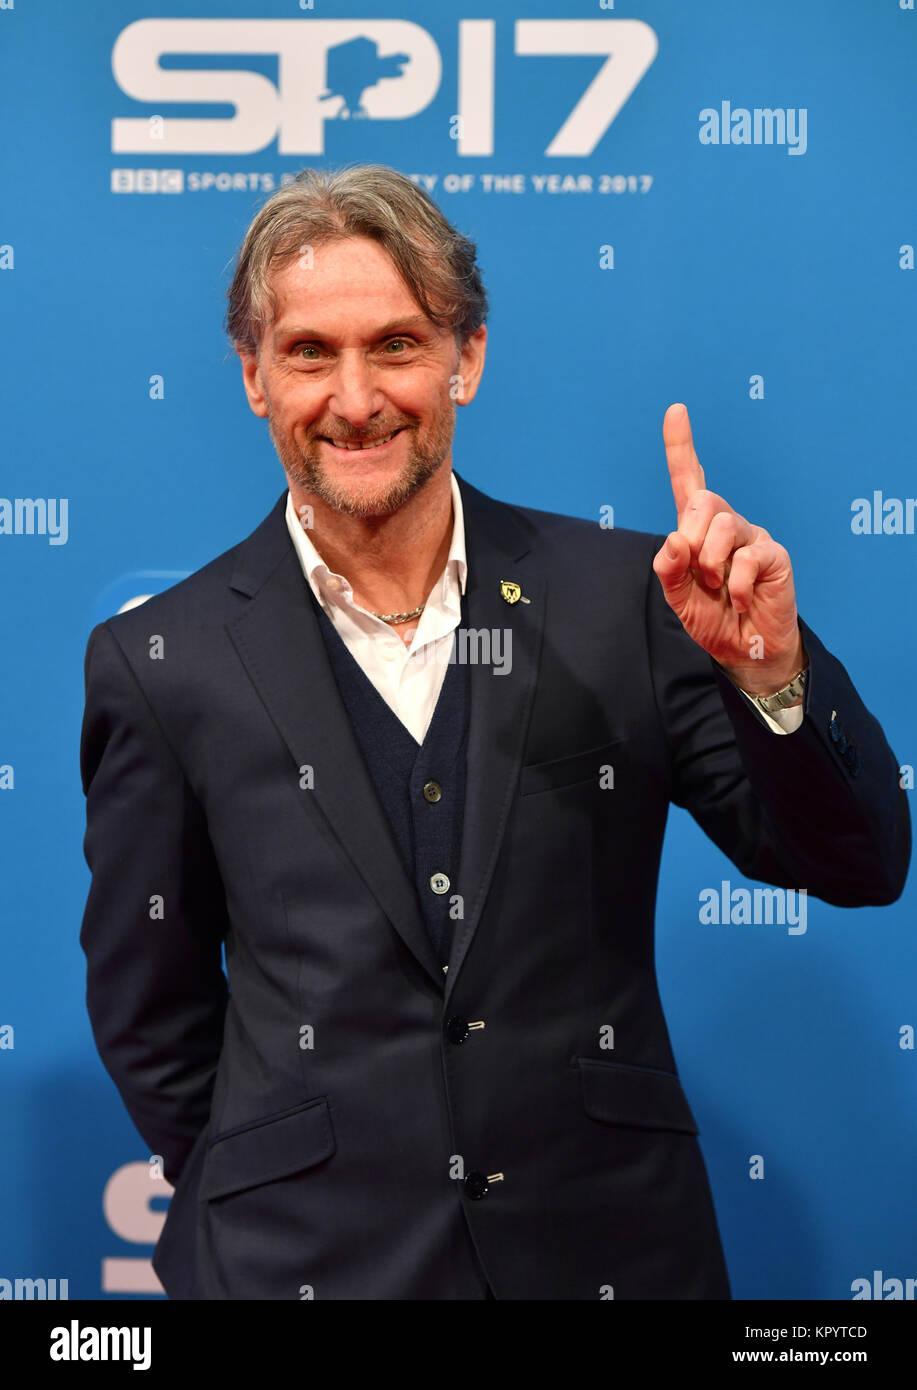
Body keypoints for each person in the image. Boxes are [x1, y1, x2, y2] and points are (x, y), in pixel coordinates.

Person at [79, 164, 910, 1300]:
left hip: (607, 1257)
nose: (355, 395)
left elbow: (856, 861)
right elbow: (148, 1008)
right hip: (301, 1270)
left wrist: (771, 672)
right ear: (253, 377)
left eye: (398, 345)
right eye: (310, 352)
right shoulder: (163, 659)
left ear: (465, 358)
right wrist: (278, 1180)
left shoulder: (626, 600)